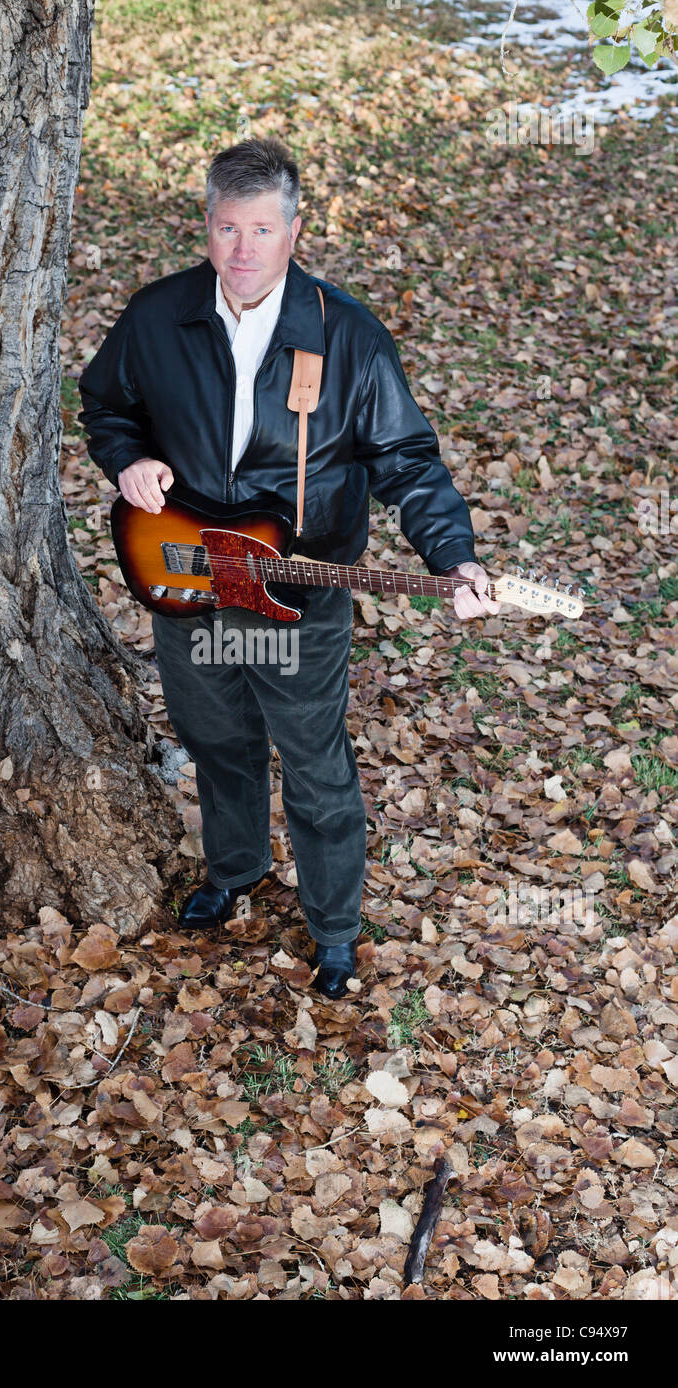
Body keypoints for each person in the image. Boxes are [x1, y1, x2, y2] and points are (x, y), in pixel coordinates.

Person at [77, 137, 499, 999]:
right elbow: (105, 402)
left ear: (293, 232)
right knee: (218, 742)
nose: (242, 250)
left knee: (311, 758)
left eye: (261, 230)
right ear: (207, 225)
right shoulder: (157, 315)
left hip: (299, 592)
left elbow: (408, 461)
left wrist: (452, 556)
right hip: (192, 583)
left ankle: (334, 926)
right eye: (227, 228)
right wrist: (126, 459)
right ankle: (232, 871)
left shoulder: (344, 335)